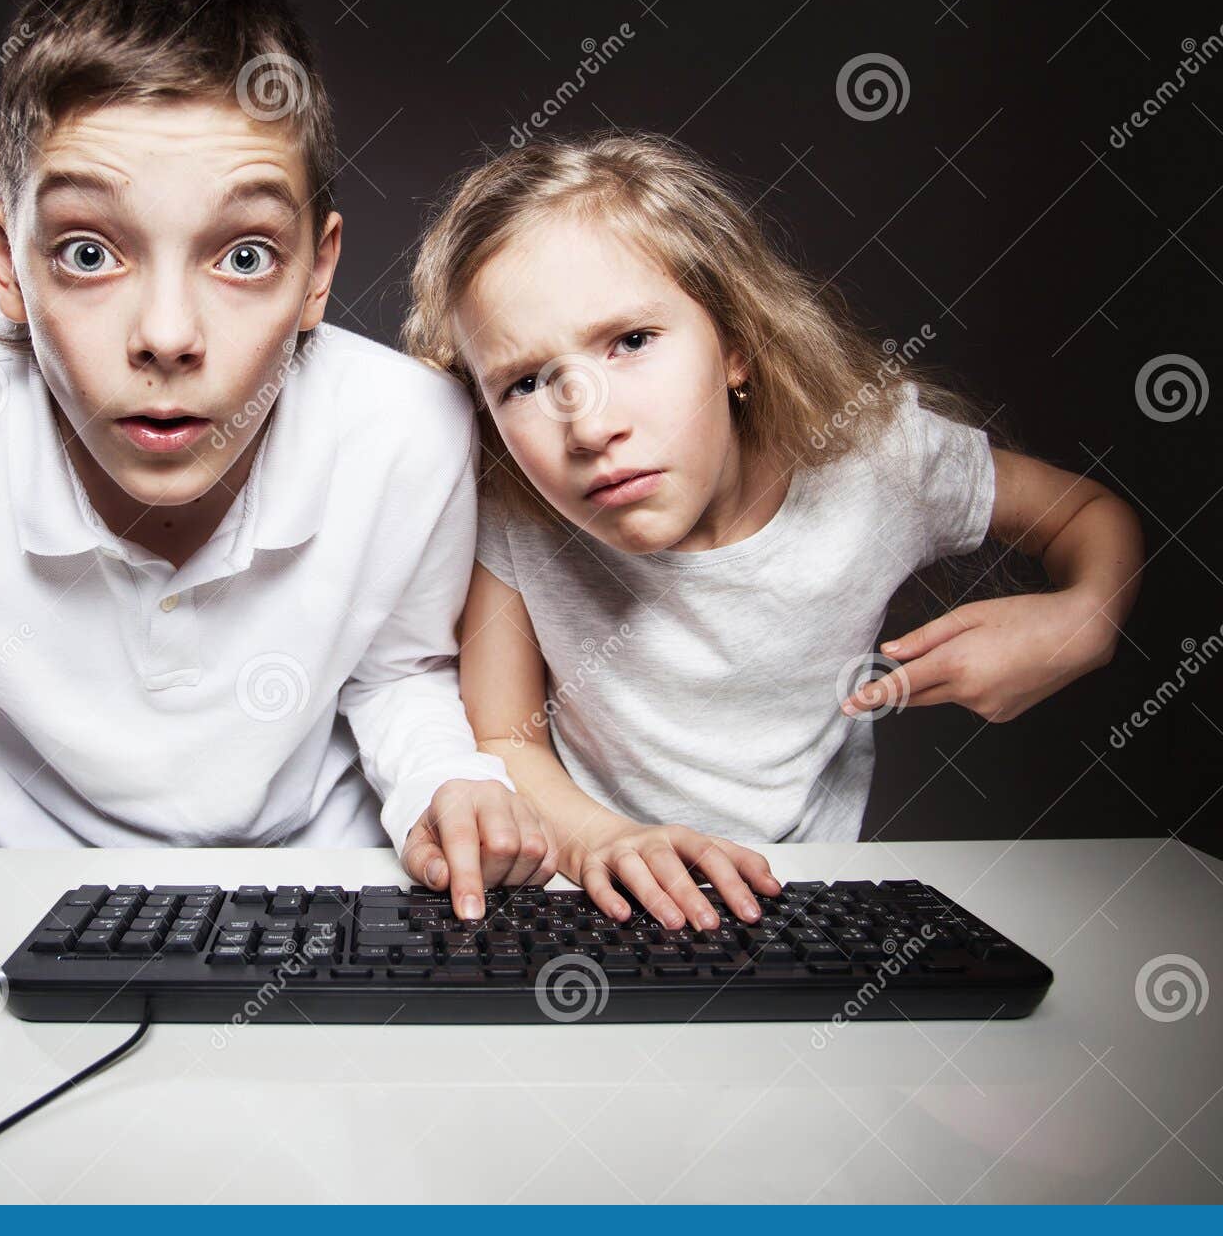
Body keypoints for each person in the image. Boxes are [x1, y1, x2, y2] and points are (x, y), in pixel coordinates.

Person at [0, 0, 551, 964]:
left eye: (243, 254)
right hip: (3, 907)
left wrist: (447, 784)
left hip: (326, 904)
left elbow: (397, 670)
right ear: (8, 262)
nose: (169, 335)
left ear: (318, 271)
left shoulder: (413, 428)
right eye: (89, 251)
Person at [403, 131, 1143, 931]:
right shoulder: (518, 503)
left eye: (631, 342)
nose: (589, 426)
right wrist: (603, 844)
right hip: (581, 903)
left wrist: (1089, 615)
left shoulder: (875, 459)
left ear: (736, 344)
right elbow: (504, 734)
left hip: (801, 906)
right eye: (524, 383)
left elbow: (1085, 514)